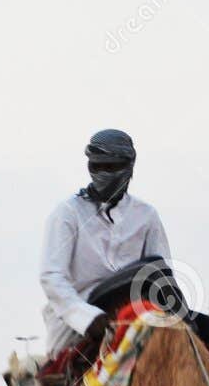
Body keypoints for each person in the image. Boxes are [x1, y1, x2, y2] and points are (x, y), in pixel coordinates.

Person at [39, 128, 170, 357]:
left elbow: (161, 274)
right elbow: (52, 276)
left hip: (134, 321)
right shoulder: (68, 213)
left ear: (129, 168)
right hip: (77, 327)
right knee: (61, 376)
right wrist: (87, 317)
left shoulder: (146, 216)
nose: (103, 173)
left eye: (111, 167)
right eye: (97, 166)